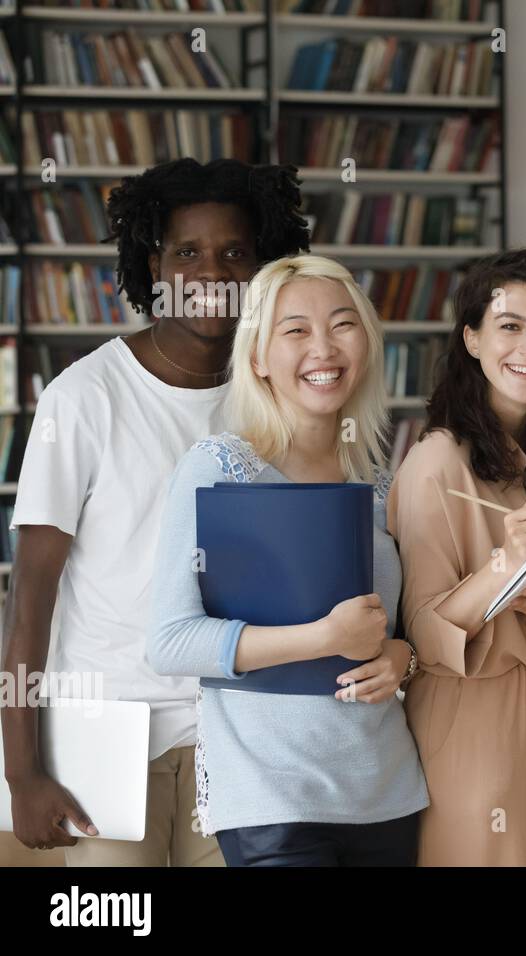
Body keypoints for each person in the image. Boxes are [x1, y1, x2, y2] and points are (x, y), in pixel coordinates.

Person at [1, 159, 310, 865]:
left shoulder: (282, 399)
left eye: (235, 253)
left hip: (239, 733)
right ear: (155, 266)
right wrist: (20, 771)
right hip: (106, 735)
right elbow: (30, 599)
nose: (213, 273)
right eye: (188, 253)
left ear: (264, 267)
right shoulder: (83, 399)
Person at [147, 254, 428, 867]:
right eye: (295, 329)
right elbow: (170, 642)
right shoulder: (219, 469)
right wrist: (322, 638)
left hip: (386, 793)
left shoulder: (383, 484)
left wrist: (402, 658)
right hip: (270, 801)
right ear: (256, 357)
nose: (322, 348)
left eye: (342, 324)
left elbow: (406, 636)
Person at [388, 248, 526, 866]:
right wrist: (501, 567)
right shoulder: (436, 462)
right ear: (472, 338)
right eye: (510, 327)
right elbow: (421, 634)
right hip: (468, 728)